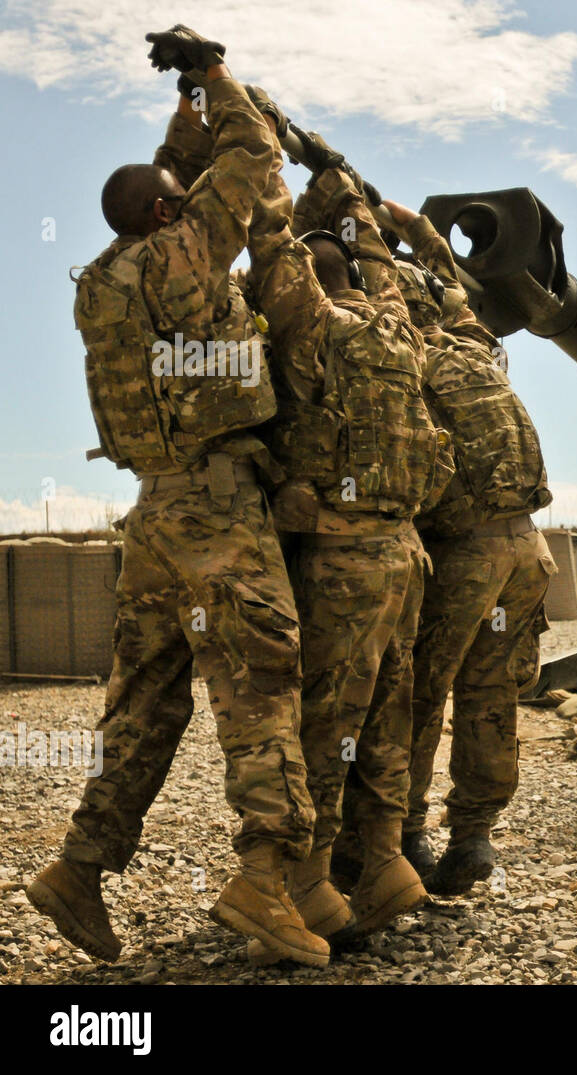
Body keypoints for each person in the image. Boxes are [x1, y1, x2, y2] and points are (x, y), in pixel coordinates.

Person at [26, 26, 327, 969]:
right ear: (171, 216)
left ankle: (79, 866)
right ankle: (268, 881)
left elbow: (176, 170)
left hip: (153, 517)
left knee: (144, 705)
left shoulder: (105, 283)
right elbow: (252, 155)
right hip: (218, 511)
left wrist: (185, 112)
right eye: (181, 202)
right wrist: (214, 74)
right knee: (261, 684)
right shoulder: (189, 251)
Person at [245, 131, 450, 941]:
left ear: (308, 279)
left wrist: (266, 155)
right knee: (388, 713)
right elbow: (377, 254)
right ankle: (387, 861)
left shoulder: (312, 328)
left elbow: (267, 243)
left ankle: (309, 883)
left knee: (327, 723)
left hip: (343, 558)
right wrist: (338, 179)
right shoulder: (398, 325)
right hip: (408, 554)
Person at [354, 198, 555, 896]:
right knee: (491, 694)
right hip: (529, 552)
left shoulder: (404, 356)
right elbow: (445, 272)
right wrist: (412, 226)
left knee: (418, 695)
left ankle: (405, 835)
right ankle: (473, 835)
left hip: (466, 553)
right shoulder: (472, 344)